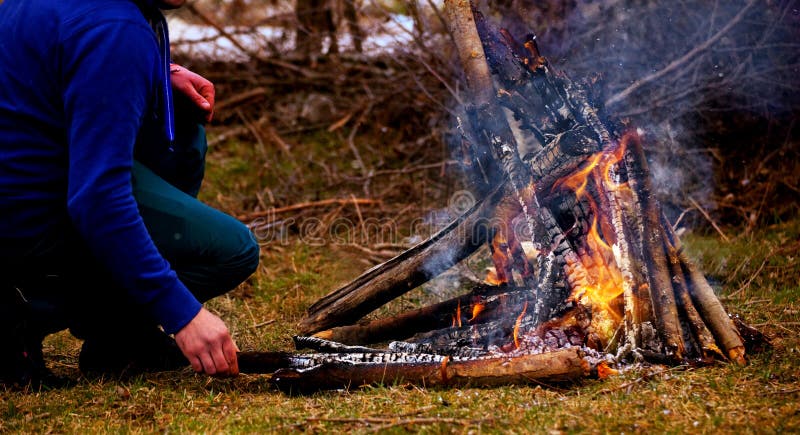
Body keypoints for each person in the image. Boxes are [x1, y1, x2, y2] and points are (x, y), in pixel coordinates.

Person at [0, 0, 260, 388]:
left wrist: (155, 71)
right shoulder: (116, 28)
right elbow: (98, 199)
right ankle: (25, 313)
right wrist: (182, 315)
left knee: (186, 133)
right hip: (25, 221)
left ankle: (119, 340)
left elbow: (54, 55)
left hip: (23, 184)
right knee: (233, 249)